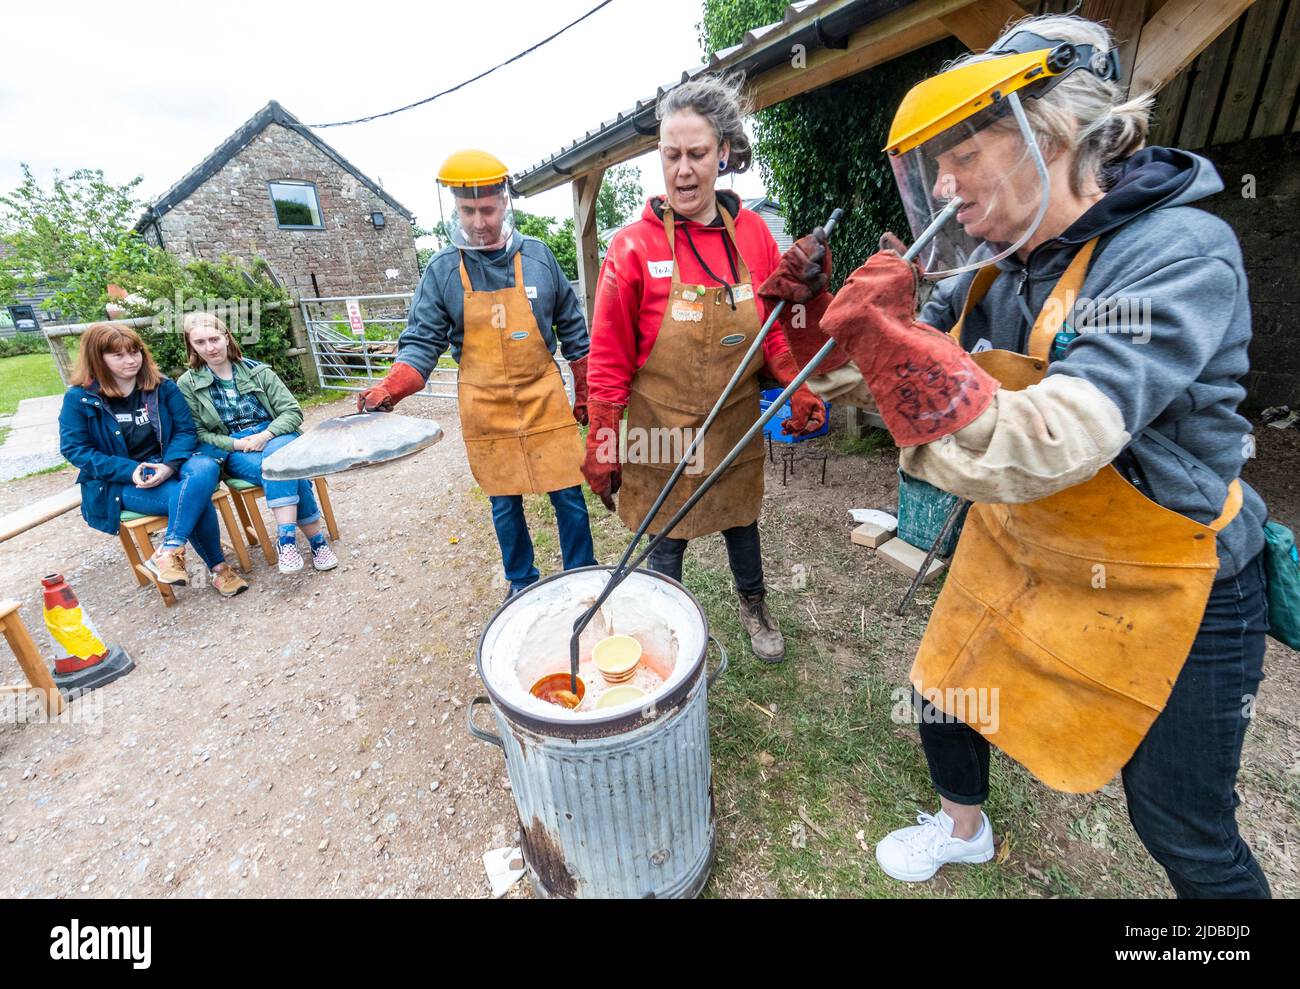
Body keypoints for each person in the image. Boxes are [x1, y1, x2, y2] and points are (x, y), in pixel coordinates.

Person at [767, 13, 1272, 897]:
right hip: (1027, 539)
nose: (947, 183)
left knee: (1180, 824)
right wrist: (822, 324)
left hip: (1169, 578)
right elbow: (888, 385)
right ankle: (963, 830)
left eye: (965, 152)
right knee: (942, 687)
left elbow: (1050, 440)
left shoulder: (1178, 253)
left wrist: (896, 346)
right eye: (937, 164)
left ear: (1053, 134)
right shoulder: (1003, 263)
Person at [581, 75, 827, 665]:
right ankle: (671, 635)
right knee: (664, 532)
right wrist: (603, 435)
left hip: (732, 420)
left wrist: (796, 387)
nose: (683, 170)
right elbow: (609, 356)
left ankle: (754, 605)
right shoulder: (632, 246)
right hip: (658, 425)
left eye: (697, 154)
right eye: (671, 155)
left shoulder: (752, 235)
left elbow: (769, 328)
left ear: (723, 154)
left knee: (741, 518)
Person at [359, 150, 597, 600]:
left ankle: (581, 575)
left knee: (568, 492)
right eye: (468, 211)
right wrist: (391, 388)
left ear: (505, 202)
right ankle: (521, 581)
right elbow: (421, 343)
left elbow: (573, 329)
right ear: (455, 210)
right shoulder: (443, 270)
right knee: (503, 501)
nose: (479, 221)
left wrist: (583, 389)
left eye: (487, 209)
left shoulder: (540, 257)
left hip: (543, 396)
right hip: (484, 403)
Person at [59, 322, 249, 597]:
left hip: (172, 462)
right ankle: (219, 569)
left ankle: (169, 549)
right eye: (119, 355)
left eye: (135, 352)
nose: (131, 360)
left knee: (206, 466)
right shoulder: (79, 398)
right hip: (122, 480)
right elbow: (76, 450)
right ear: (97, 359)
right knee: (191, 495)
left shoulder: (162, 386)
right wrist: (130, 469)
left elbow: (185, 431)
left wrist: (168, 465)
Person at [177, 312, 337, 575]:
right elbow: (198, 433)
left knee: (279, 461)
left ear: (227, 338)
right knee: (288, 471)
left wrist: (267, 435)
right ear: (191, 346)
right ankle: (317, 542)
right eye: (201, 342)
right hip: (234, 447)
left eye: (215, 339)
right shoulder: (187, 385)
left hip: (277, 436)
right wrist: (235, 444)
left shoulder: (258, 371)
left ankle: (286, 540)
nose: (210, 347)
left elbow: (292, 411)